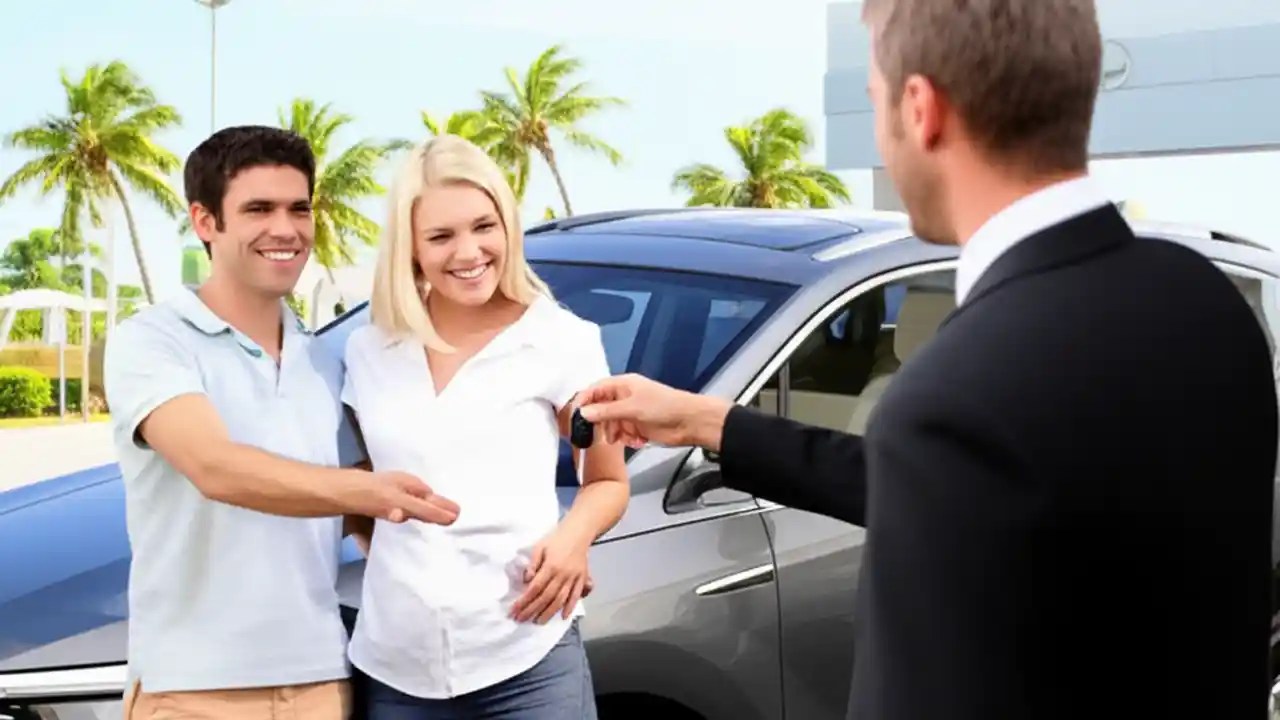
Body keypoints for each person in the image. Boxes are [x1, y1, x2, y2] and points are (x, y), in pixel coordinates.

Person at [577, 1, 1279, 718]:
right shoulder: (1209, 305)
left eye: (875, 101)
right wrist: (713, 423)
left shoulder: (956, 399)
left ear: (921, 109)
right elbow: (967, 486)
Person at [103, 125, 459, 720]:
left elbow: (364, 518)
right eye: (258, 209)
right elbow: (216, 468)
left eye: (299, 208)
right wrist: (372, 492)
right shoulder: (153, 342)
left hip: (323, 684)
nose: (285, 229)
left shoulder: (323, 359)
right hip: (194, 692)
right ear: (205, 221)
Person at [339, 135, 629, 720]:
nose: (468, 252)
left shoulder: (562, 342)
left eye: (483, 226)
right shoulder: (368, 351)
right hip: (397, 670)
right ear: (411, 249)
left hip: (527, 657)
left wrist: (572, 541)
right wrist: (407, 572)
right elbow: (357, 488)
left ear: (508, 226)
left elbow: (607, 482)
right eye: (441, 237)